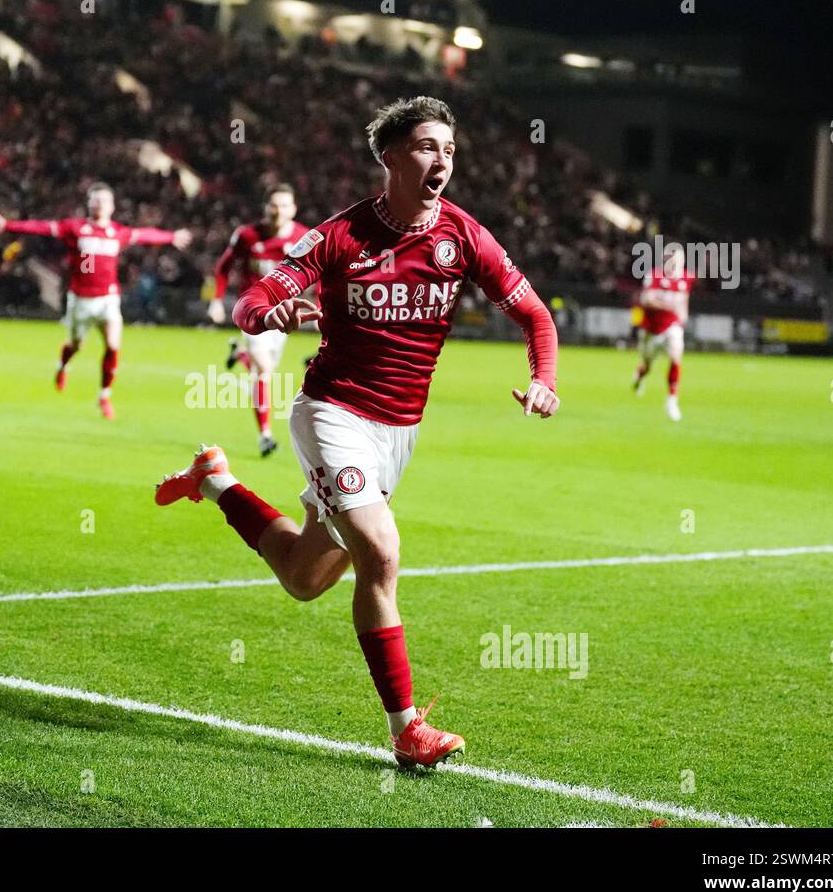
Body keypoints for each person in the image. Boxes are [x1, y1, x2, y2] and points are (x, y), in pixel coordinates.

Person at [156, 96, 560, 767]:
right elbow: (249, 300)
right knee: (383, 551)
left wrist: (543, 377)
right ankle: (407, 730)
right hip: (332, 414)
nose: (443, 161)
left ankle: (214, 480)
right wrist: (270, 316)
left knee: (304, 577)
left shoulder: (465, 237)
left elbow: (536, 316)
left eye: (451, 151)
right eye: (430, 147)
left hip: (398, 435)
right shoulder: (340, 235)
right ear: (391, 156)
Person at [0, 184, 190, 419]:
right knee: (76, 345)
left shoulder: (117, 232)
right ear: (88, 203)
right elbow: (41, 227)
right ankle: (62, 366)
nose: (98, 203)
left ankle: (104, 396)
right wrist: (8, 225)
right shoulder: (75, 228)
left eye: (103, 200)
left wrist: (171, 237)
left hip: (108, 299)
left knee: (112, 346)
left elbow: (145, 235)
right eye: (94, 199)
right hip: (81, 300)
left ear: (112, 206)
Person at [210, 184, 311, 456]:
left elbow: (321, 274)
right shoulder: (246, 235)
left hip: (284, 315)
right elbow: (223, 267)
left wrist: (322, 304)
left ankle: (239, 354)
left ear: (294, 209)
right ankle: (265, 435)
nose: (279, 211)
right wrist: (217, 300)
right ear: (266, 208)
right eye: (274, 205)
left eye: (285, 205)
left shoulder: (304, 238)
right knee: (264, 372)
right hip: (254, 313)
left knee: (262, 372)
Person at [632, 244, 693, 421]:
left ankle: (672, 400)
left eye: (680, 259)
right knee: (648, 363)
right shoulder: (655, 275)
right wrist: (669, 306)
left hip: (672, 325)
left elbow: (684, 298)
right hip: (651, 328)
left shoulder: (686, 278)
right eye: (673, 258)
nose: (677, 262)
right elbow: (645, 299)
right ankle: (640, 375)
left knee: (676, 356)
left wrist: (683, 315)